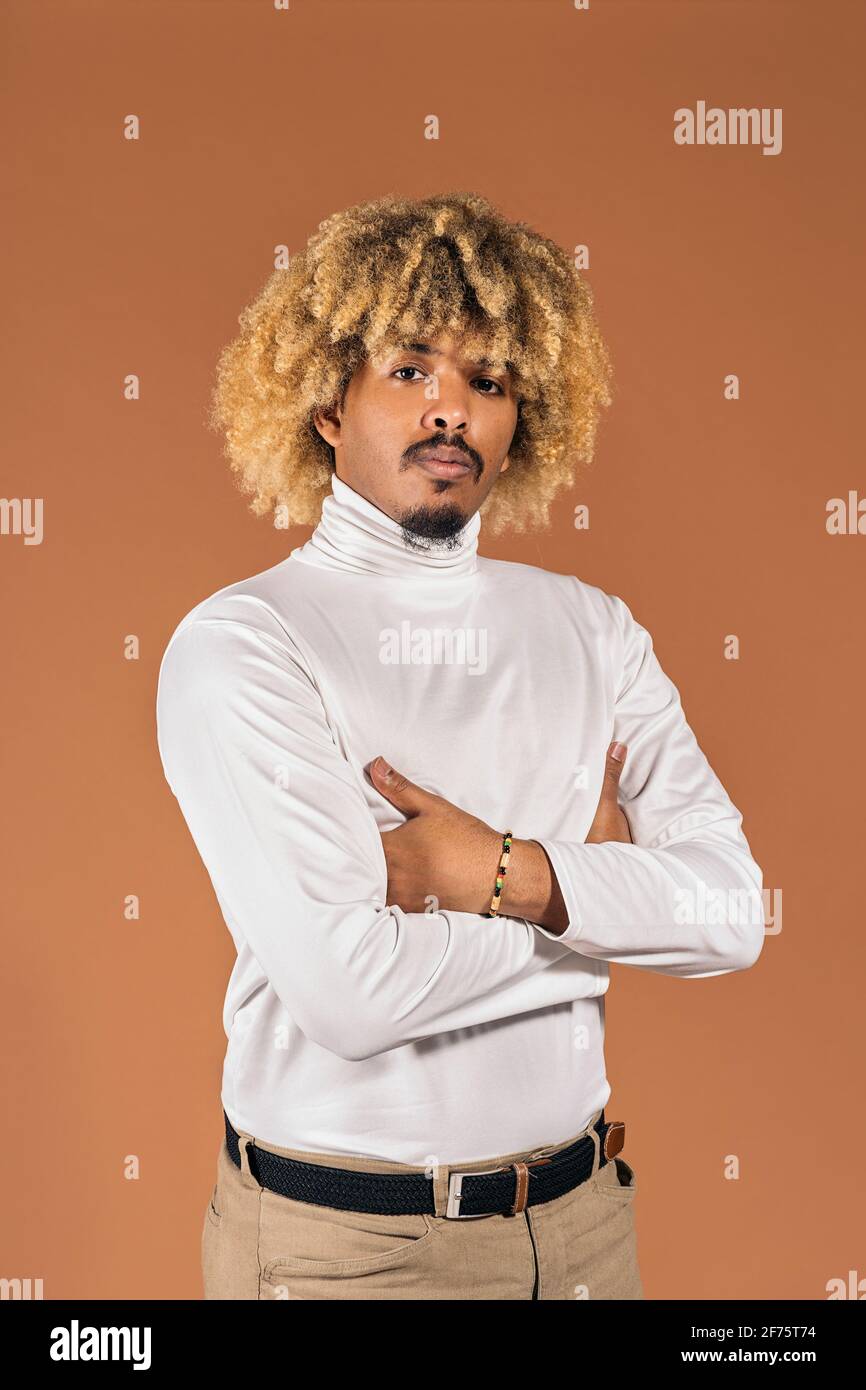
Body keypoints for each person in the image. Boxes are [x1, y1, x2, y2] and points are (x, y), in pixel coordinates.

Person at [155, 191, 765, 1300]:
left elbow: (729, 913)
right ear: (326, 404)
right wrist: (597, 903)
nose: (450, 410)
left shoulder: (591, 628)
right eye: (409, 369)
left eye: (486, 381)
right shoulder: (245, 645)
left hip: (582, 1231)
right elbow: (349, 996)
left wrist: (502, 875)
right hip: (352, 1253)